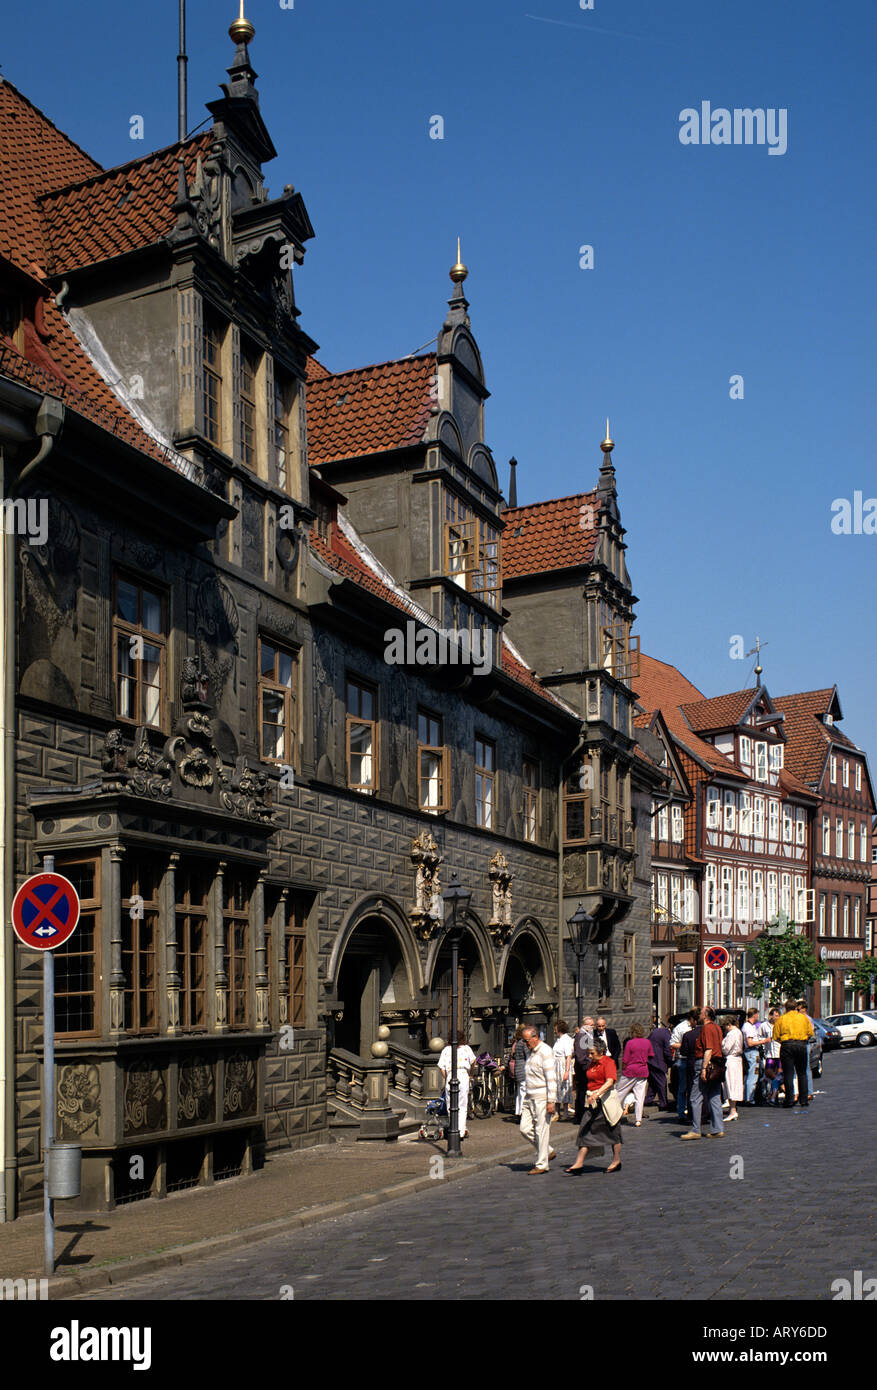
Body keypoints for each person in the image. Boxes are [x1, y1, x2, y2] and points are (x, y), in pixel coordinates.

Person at [564, 1040, 623, 1174]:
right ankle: (579, 1163)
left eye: (592, 1053)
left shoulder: (608, 1062)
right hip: (592, 1102)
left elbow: (610, 1081)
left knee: (613, 1131)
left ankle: (616, 1160)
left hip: (606, 1102)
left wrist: (597, 1093)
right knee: (585, 1130)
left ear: (601, 1052)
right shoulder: (592, 1063)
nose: (589, 1056)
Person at [681, 1005, 724, 1139]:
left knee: (695, 1097)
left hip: (705, 1063)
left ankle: (696, 1129)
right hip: (717, 1063)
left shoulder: (707, 1028)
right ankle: (717, 1128)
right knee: (715, 1096)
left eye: (701, 1013)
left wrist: (704, 1068)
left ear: (705, 1015)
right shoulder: (717, 1027)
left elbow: (708, 1049)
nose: (699, 1014)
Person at [519, 1025, 557, 1173]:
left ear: (535, 1038)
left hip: (542, 1096)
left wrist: (551, 1101)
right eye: (524, 1041)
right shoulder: (531, 1052)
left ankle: (542, 1165)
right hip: (529, 1095)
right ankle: (547, 1150)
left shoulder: (545, 1051)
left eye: (527, 1041)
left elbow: (551, 1078)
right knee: (525, 1128)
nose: (525, 1044)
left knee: (542, 1130)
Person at [772, 999, 812, 1109]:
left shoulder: (781, 1019)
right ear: (796, 1007)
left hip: (787, 1045)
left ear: (785, 1008)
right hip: (801, 1044)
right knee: (802, 1073)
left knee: (788, 1073)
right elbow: (810, 1033)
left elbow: (775, 1036)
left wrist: (784, 1042)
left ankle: (789, 1099)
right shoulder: (803, 1018)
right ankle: (803, 1099)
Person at [437, 1031, 476, 1139]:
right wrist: (471, 1075)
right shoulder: (467, 1049)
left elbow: (441, 1067)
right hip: (463, 1075)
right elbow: (473, 1061)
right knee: (462, 1105)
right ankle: (461, 1131)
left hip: (451, 1075)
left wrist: (446, 1077)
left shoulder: (446, 1050)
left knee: (451, 1104)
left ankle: (453, 1128)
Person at [616, 1022, 654, 1126]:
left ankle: (614, 1115)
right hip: (642, 1070)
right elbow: (651, 1055)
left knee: (619, 1092)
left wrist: (624, 1068)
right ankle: (638, 1119)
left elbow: (625, 1059)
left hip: (630, 1070)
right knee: (640, 1096)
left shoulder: (630, 1043)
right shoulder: (647, 1042)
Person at [670, 1009, 699, 1122]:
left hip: (695, 1060)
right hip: (683, 1060)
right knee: (683, 1088)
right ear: (691, 1018)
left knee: (695, 1088)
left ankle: (694, 1112)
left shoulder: (699, 1027)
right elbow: (672, 1043)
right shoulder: (681, 1028)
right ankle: (681, 1113)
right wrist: (686, 1045)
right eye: (695, 1020)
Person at [645, 1018, 673, 1111]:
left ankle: (648, 1100)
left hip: (650, 1059)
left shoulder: (657, 1031)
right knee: (661, 1081)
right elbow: (667, 1050)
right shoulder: (667, 1035)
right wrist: (669, 1062)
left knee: (653, 1082)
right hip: (657, 1061)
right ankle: (663, 1103)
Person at [572, 1016, 595, 1124]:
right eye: (591, 1025)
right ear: (585, 1026)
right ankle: (580, 1116)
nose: (593, 1027)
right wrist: (588, 1064)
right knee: (582, 1092)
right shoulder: (582, 1036)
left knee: (583, 1092)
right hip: (583, 1069)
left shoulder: (587, 1035)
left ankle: (582, 1115)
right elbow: (581, 1056)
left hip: (585, 1068)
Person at [721, 1015, 744, 1122]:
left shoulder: (732, 1033)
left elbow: (726, 1049)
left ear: (729, 1025)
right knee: (734, 1084)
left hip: (731, 1060)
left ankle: (733, 1110)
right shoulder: (738, 1032)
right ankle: (732, 1110)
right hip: (736, 1060)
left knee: (730, 1084)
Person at [552, 1020, 574, 1120]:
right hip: (556, 1065)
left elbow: (568, 1056)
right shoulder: (558, 1039)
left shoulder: (566, 1040)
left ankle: (565, 1113)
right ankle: (556, 1113)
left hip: (563, 1065)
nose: (554, 1030)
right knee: (556, 1089)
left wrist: (566, 1071)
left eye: (555, 1028)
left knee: (564, 1088)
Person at [742, 1007, 765, 1105]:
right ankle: (749, 1098)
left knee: (750, 1075)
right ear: (754, 1015)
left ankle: (748, 1097)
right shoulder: (748, 1027)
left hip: (751, 1052)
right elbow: (750, 1042)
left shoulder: (748, 1026)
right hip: (752, 1052)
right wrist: (764, 1041)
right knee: (753, 1075)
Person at [760, 1007, 782, 1104]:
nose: (777, 1018)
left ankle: (774, 1097)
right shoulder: (764, 1026)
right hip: (769, 1054)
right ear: (770, 1016)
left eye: (778, 1016)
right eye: (775, 1016)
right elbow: (759, 1036)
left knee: (779, 1073)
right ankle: (781, 1087)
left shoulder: (780, 1024)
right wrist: (764, 1041)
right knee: (769, 1072)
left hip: (779, 1053)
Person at [797, 1000, 816, 1101]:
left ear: (804, 1009)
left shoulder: (808, 1019)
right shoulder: (798, 1018)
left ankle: (809, 1091)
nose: (797, 1010)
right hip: (800, 1044)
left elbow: (810, 1033)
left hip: (805, 1044)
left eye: (798, 1009)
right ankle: (800, 1091)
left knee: (806, 1068)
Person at [508, 1025, 529, 1117]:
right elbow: (528, 1055)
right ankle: (522, 1113)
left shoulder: (516, 1043)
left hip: (517, 1070)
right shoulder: (523, 1043)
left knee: (519, 1093)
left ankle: (518, 1111)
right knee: (523, 1092)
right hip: (523, 1070)